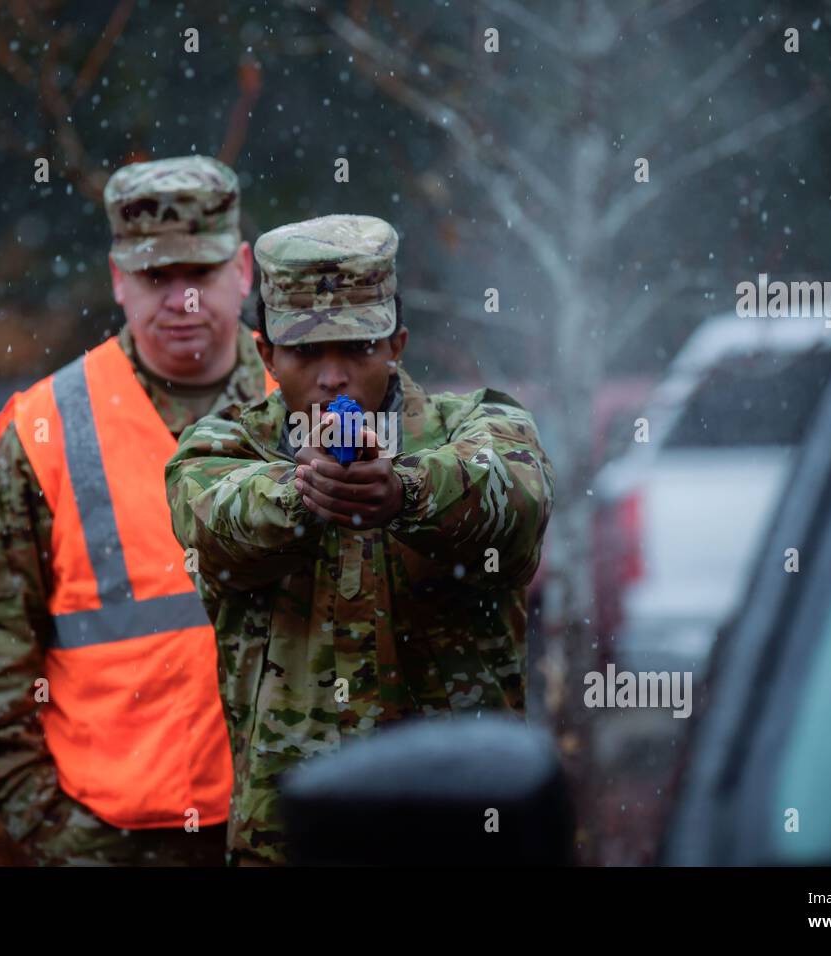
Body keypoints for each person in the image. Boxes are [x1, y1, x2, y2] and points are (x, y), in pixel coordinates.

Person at [165, 213, 554, 865]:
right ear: (266, 354)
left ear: (396, 344)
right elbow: (214, 519)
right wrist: (303, 492)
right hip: (290, 841)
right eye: (306, 352)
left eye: (356, 348)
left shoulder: (479, 423)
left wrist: (408, 490)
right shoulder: (223, 447)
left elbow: (516, 497)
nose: (333, 377)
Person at [0, 155, 274, 866]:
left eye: (201, 273)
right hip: (120, 844)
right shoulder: (47, 429)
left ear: (242, 270)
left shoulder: (310, 404)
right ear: (119, 279)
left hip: (292, 831)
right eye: (155, 277)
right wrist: (67, 837)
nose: (181, 300)